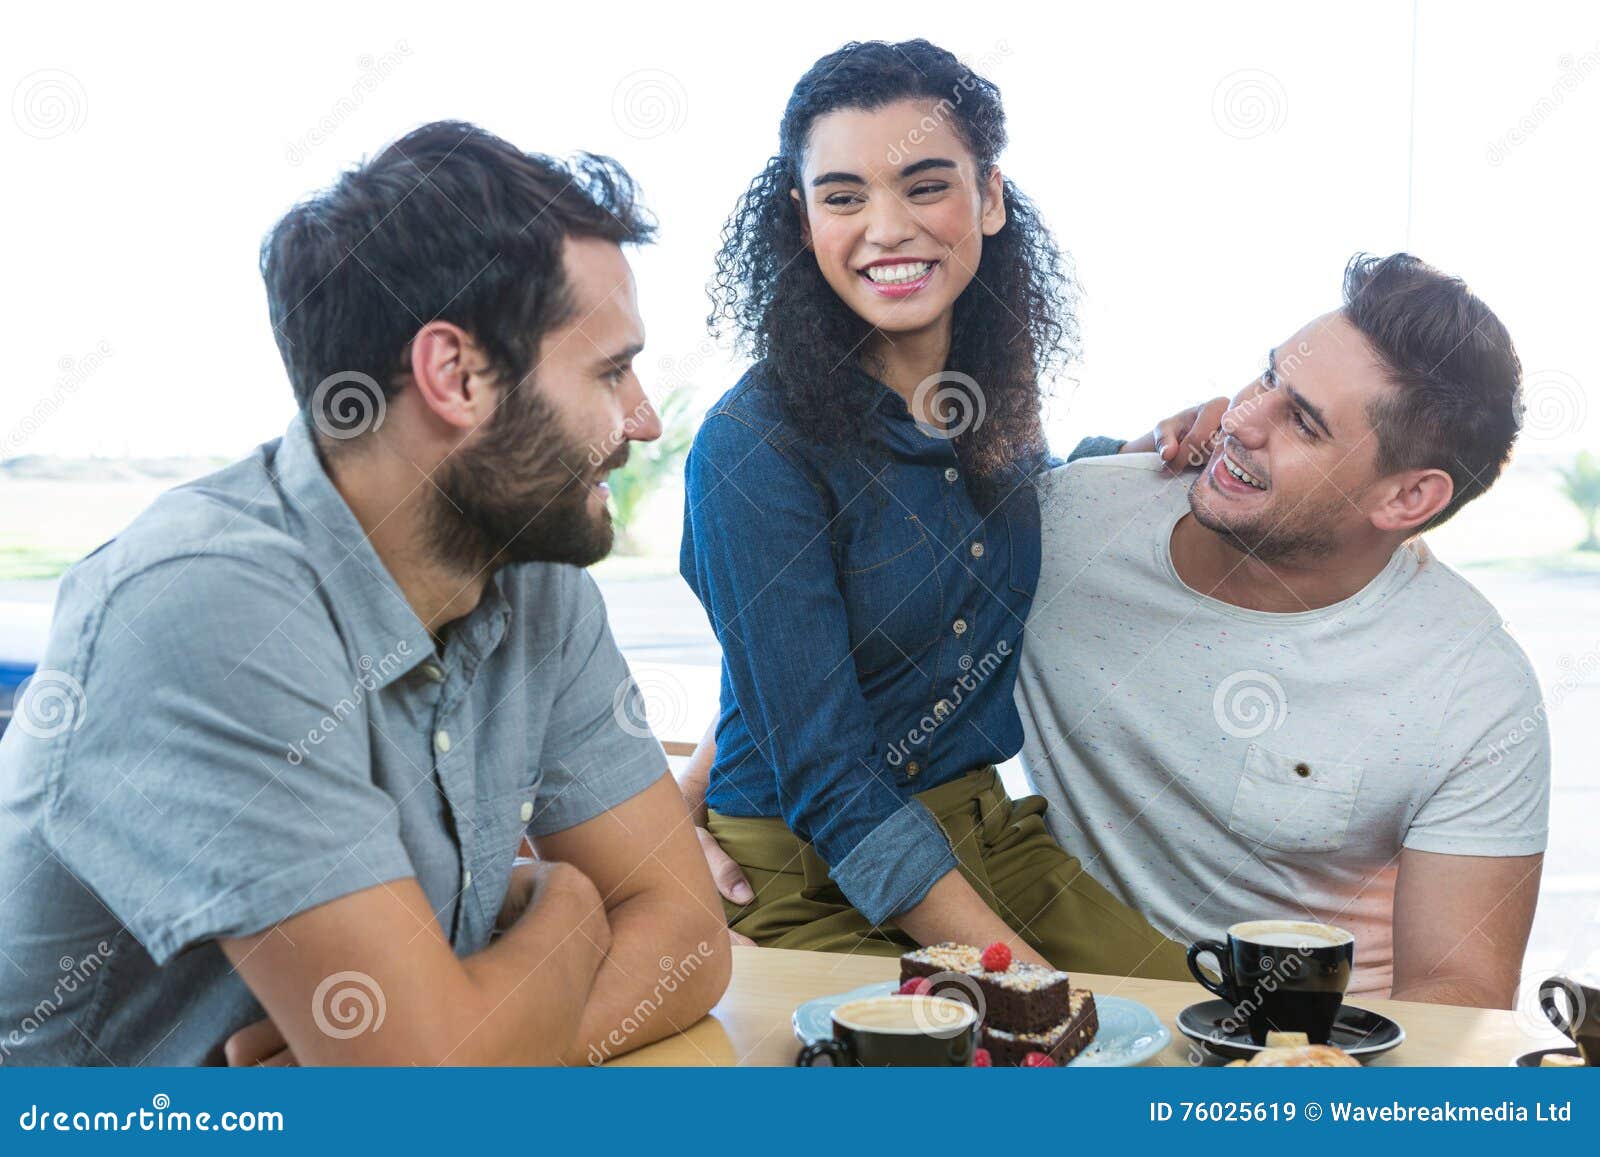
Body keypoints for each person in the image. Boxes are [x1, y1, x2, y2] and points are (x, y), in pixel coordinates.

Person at [0, 121, 729, 1066]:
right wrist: (575, 906)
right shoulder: (206, 609)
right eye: (611, 371)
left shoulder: (532, 574)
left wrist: (491, 1040)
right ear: (454, 376)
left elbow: (687, 940)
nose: (644, 419)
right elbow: (425, 1087)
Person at [693, 252, 1548, 1007]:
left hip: (1300, 1043)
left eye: (1304, 421)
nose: (1242, 417)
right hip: (1061, 939)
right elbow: (845, 653)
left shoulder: (1473, 689)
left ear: (1409, 497)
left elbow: (1462, 1000)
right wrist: (674, 818)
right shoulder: (1074, 521)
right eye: (1267, 378)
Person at [681, 39, 1216, 978]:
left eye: (925, 186)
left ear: (990, 197)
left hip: (989, 836)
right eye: (843, 197)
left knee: (1207, 1024)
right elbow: (827, 777)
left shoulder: (986, 397)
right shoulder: (751, 446)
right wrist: (1024, 981)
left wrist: (1145, 456)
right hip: (811, 867)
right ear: (802, 221)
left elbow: (1017, 503)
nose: (887, 228)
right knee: (1045, 1051)